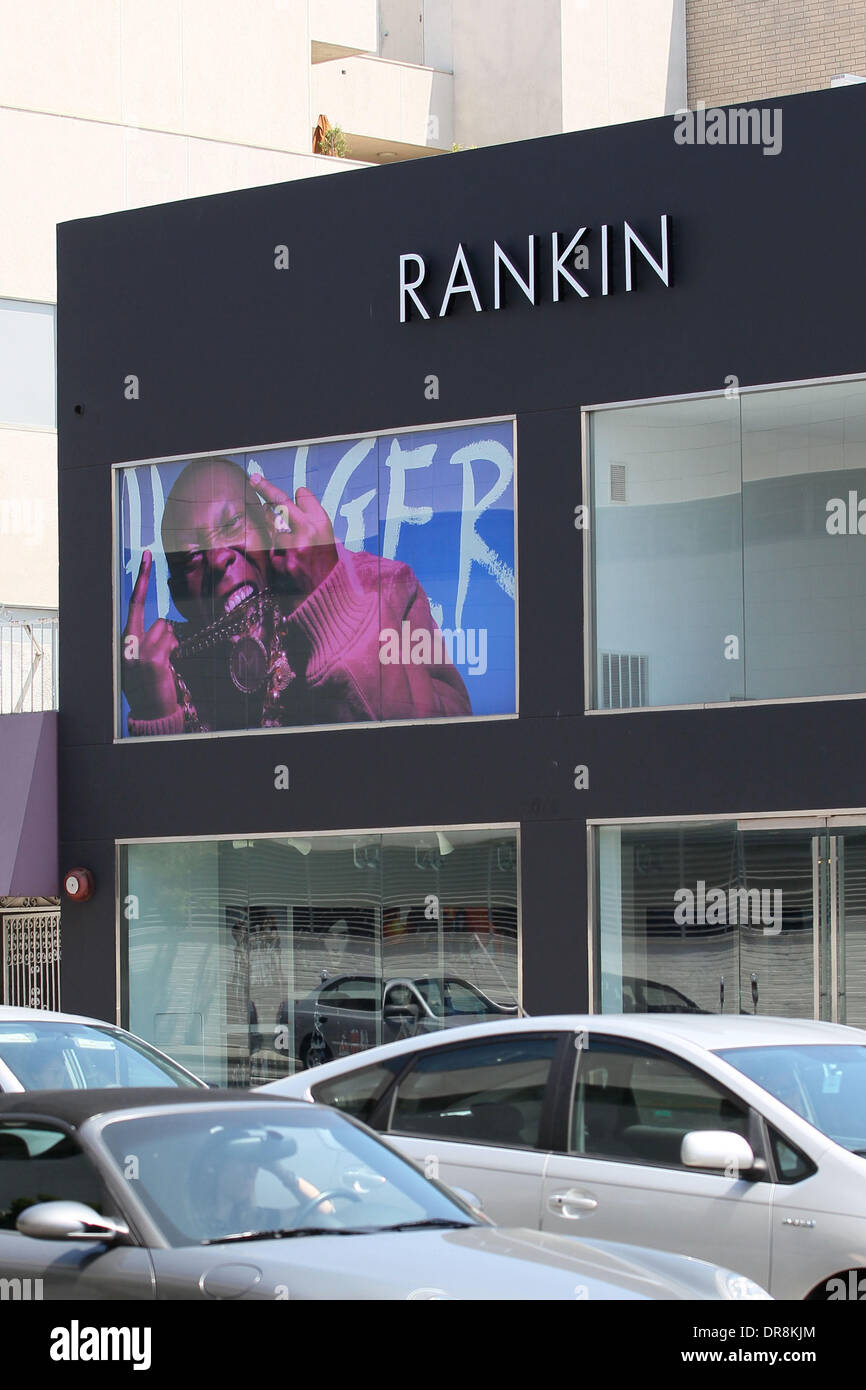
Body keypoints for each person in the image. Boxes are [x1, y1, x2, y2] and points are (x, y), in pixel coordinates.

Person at [122, 456, 471, 734]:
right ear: (177, 595)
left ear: (270, 525)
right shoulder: (172, 670)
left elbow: (454, 752)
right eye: (191, 557)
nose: (218, 557)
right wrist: (155, 718)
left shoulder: (387, 586)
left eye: (231, 526)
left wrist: (332, 608)